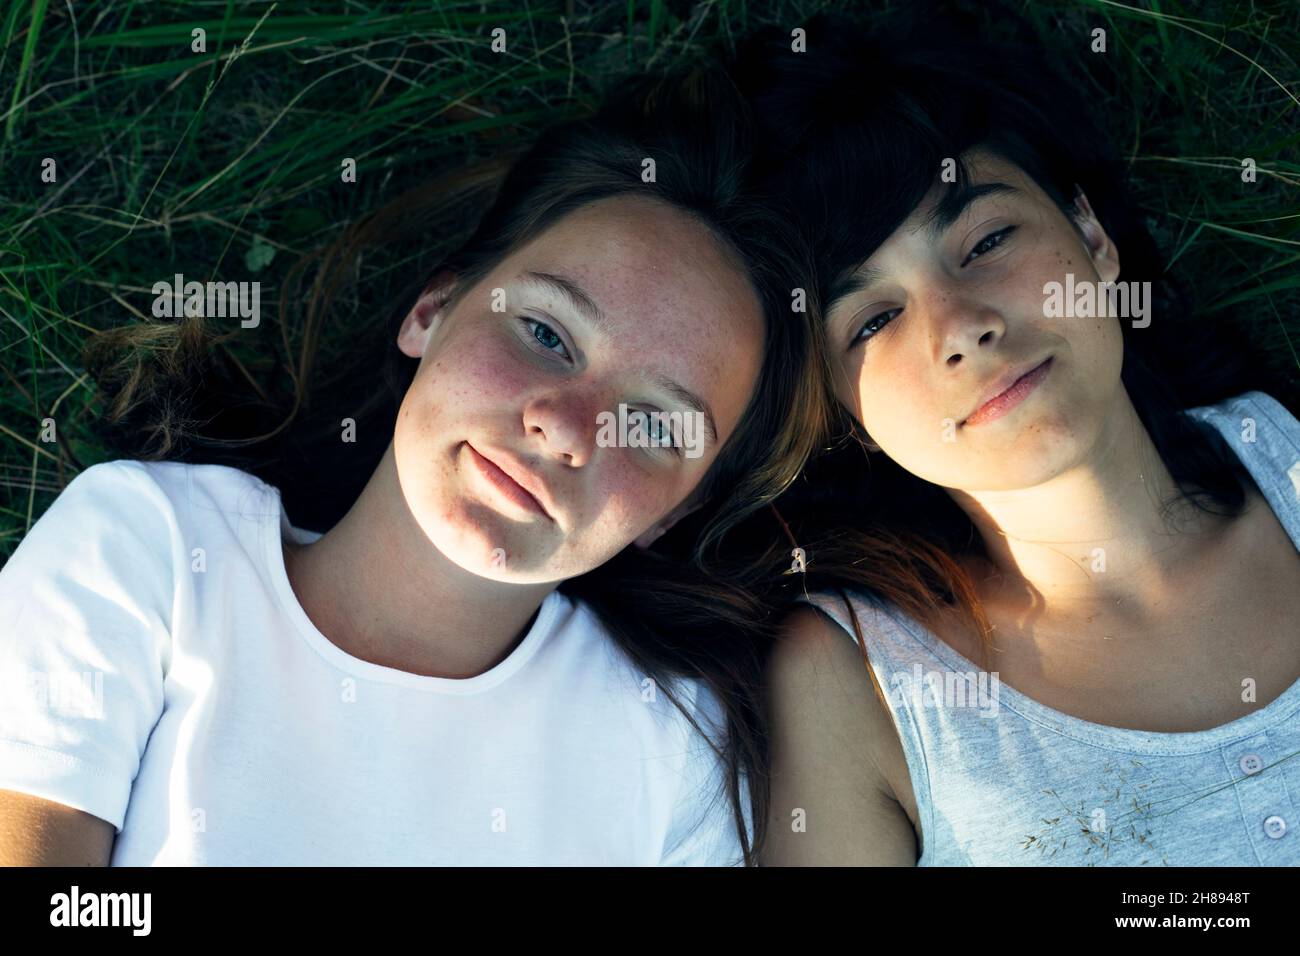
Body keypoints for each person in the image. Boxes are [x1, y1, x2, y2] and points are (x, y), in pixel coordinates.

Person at [0, 66, 829, 866]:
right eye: (545, 333)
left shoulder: (674, 758)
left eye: (653, 425)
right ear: (431, 313)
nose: (567, 427)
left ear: (675, 512)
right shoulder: (151, 552)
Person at [732, 11, 1300, 865]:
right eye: (875, 318)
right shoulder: (858, 685)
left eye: (986, 239)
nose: (961, 326)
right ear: (843, 416)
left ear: (1095, 240)